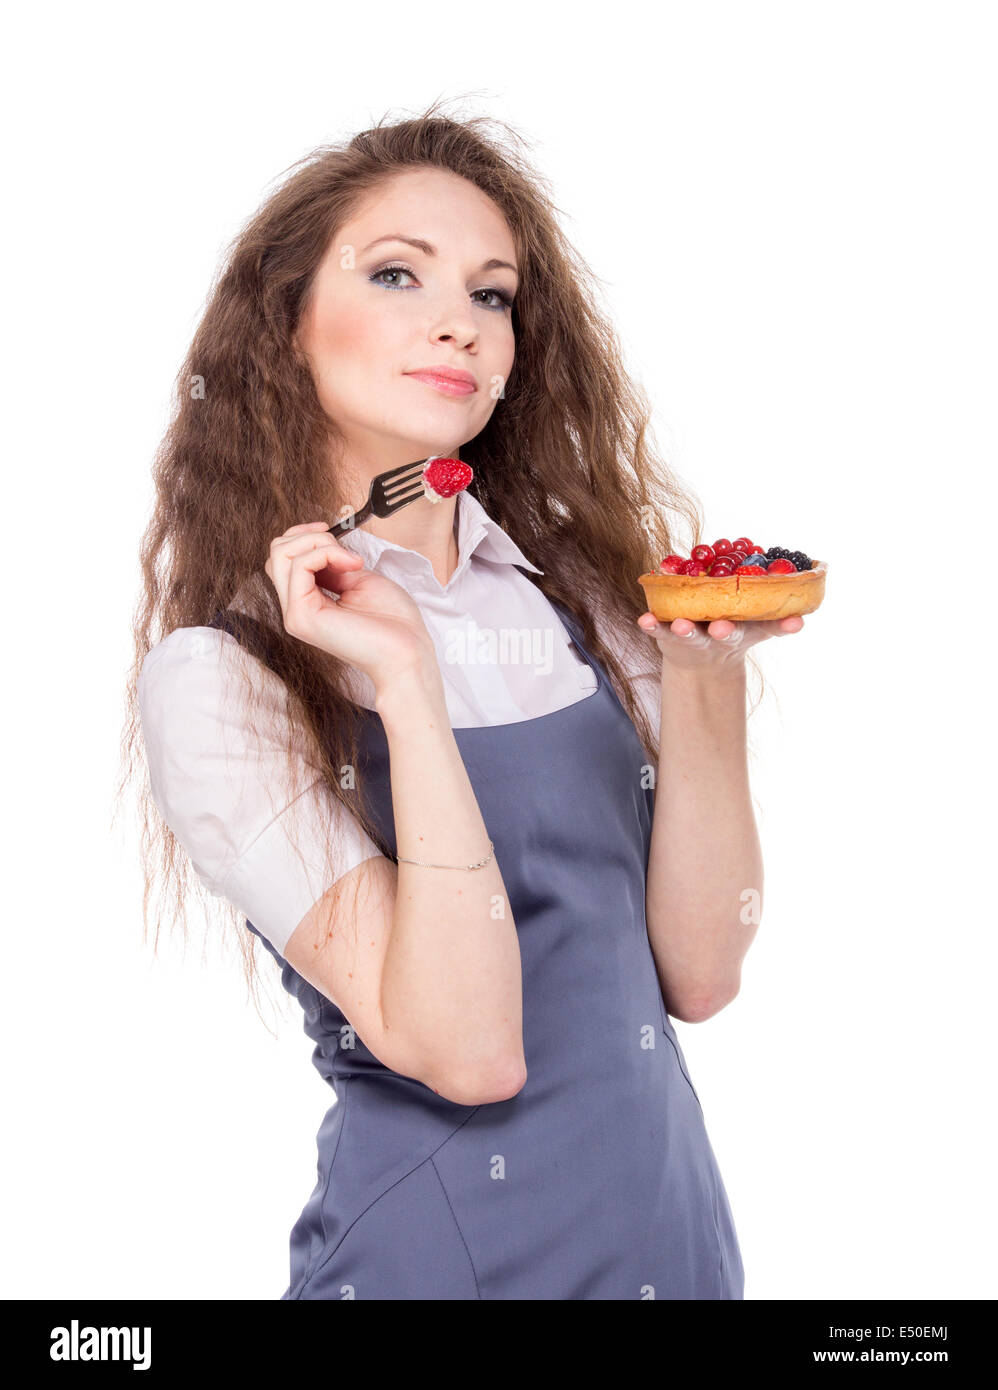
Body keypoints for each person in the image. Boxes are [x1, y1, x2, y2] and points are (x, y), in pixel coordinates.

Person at [125, 101, 803, 1300]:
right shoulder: (223, 679)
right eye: (396, 274)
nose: (459, 321)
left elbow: (697, 974)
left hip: (673, 1257)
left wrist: (704, 687)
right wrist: (403, 681)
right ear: (285, 328)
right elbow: (468, 1050)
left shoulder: (587, 600)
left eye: (493, 295)